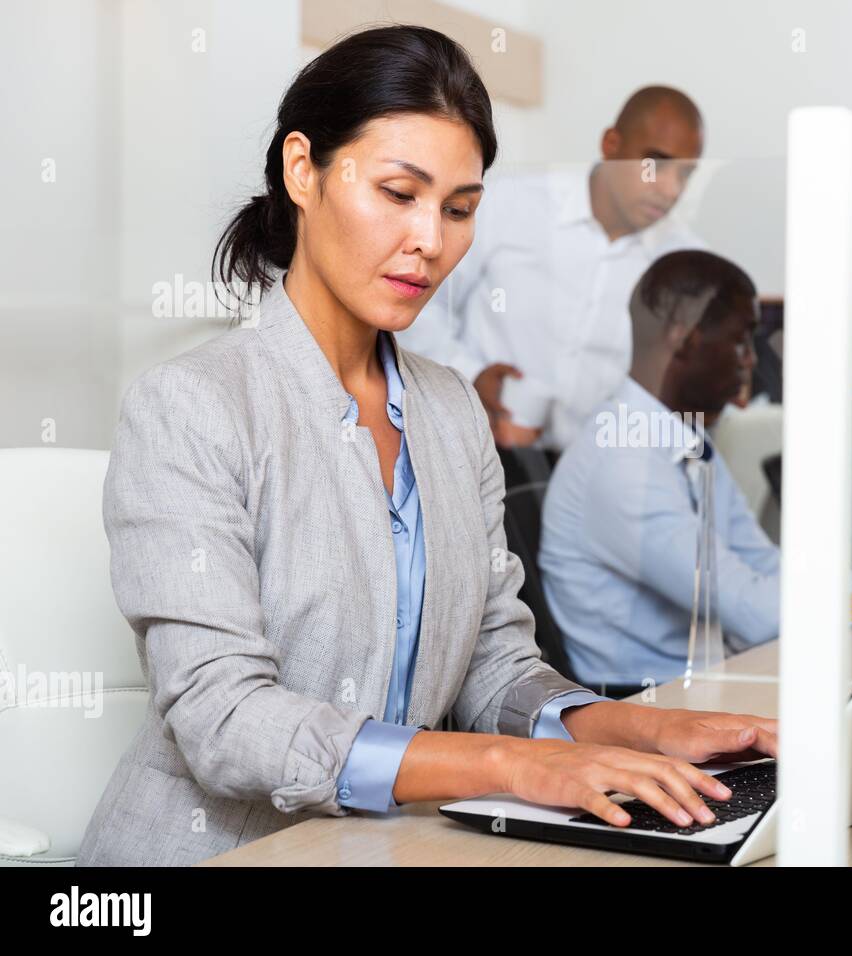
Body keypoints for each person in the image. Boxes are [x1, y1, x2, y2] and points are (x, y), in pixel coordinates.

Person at [76, 27, 775, 868]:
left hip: (394, 848)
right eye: (398, 193)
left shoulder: (446, 409)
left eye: (459, 209)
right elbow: (224, 720)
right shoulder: (191, 406)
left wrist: (643, 726)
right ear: (303, 169)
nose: (431, 242)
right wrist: (509, 763)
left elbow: (494, 662)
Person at [399, 86, 707, 459]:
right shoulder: (509, 203)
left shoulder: (684, 263)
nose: (670, 189)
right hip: (467, 445)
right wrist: (468, 376)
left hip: (593, 476)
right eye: (655, 164)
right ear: (611, 145)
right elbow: (420, 304)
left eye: (685, 175)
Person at [540, 250, 777, 690]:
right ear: (683, 336)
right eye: (741, 341)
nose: (750, 362)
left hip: (703, 688)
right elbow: (754, 612)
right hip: (648, 708)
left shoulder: (683, 441)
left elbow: (762, 565)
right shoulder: (624, 462)